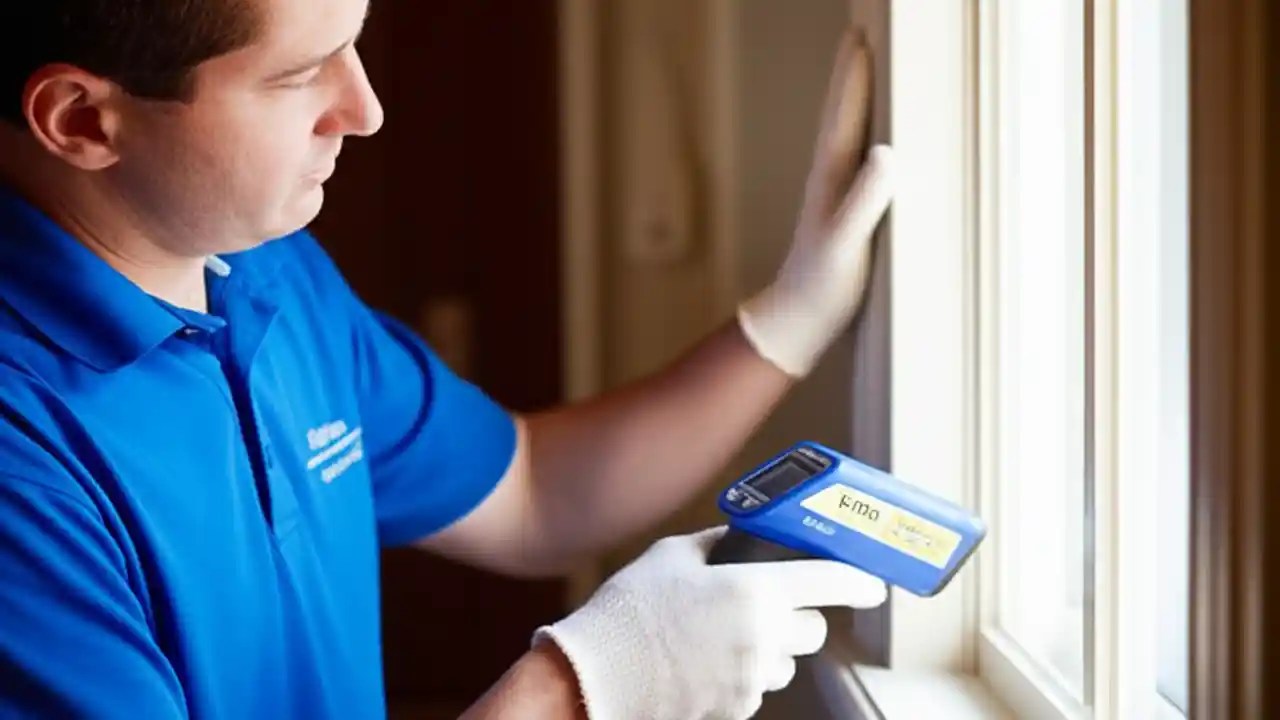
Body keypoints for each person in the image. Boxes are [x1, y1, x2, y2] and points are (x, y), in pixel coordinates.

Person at [0, 0, 895, 718]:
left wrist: (790, 321)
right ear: (82, 118)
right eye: (300, 75)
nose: (365, 109)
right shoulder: (21, 455)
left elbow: (538, 489)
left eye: (352, 45)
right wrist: (582, 689)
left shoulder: (259, 268)